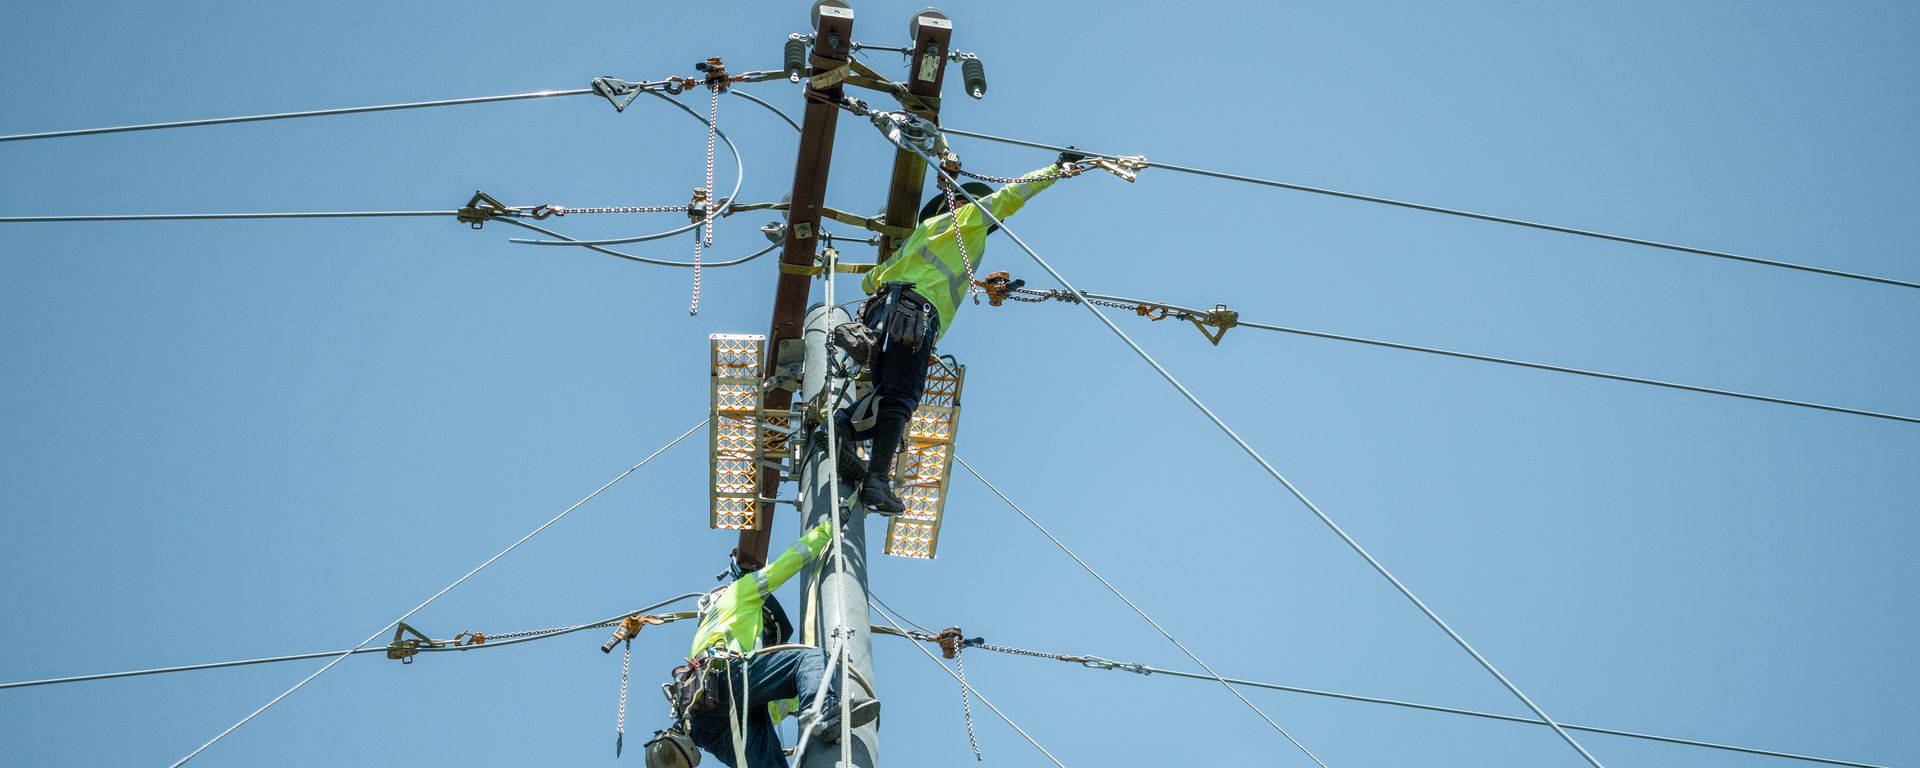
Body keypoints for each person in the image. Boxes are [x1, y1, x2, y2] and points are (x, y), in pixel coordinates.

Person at [835, 151, 1084, 513]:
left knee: (889, 393)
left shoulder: (920, 237)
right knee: (901, 397)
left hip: (883, 318)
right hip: (915, 318)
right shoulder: (966, 218)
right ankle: (873, 473)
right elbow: (1011, 195)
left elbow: (868, 281)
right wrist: (1056, 171)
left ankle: (846, 428)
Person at [650, 518, 880, 768]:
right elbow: (787, 564)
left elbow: (775, 703)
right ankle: (824, 710)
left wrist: (801, 692)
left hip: (704, 722)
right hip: (726, 683)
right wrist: (828, 529)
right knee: (809, 658)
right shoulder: (737, 593)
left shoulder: (706, 631)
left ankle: (821, 709)